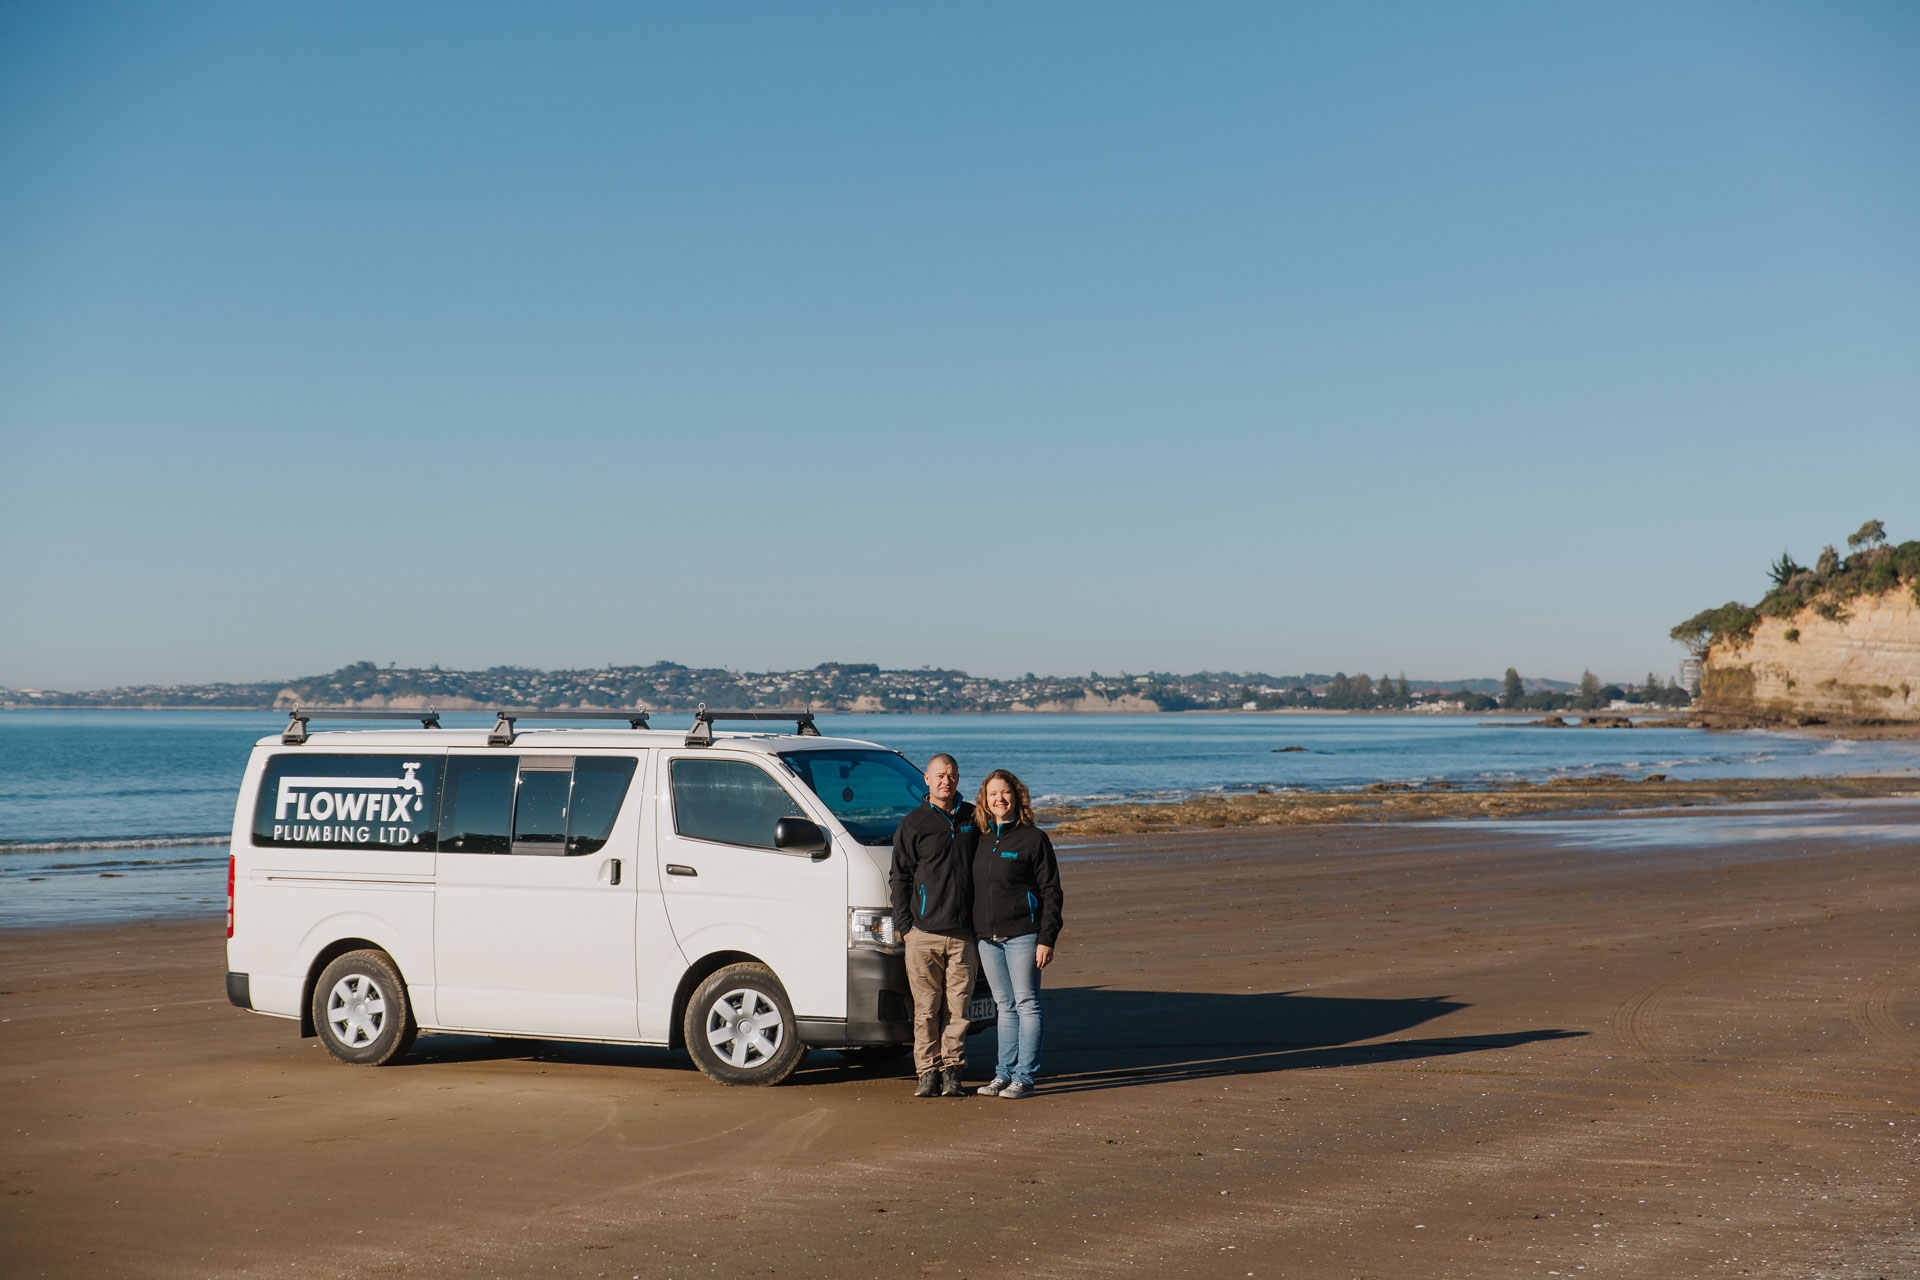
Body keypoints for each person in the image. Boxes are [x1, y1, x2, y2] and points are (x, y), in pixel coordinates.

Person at [889, 753, 979, 1098]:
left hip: (964, 934)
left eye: (952, 775)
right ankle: (927, 1071)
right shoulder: (912, 823)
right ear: (926, 779)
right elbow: (900, 877)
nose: (947, 781)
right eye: (940, 775)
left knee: (959, 1008)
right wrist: (906, 927)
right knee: (926, 1008)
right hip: (923, 934)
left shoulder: (974, 817)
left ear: (958, 778)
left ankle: (952, 1070)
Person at [970, 768, 1062, 1100]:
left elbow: (1052, 891)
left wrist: (1046, 938)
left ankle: (1025, 1077)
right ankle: (1003, 1074)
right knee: (1004, 1006)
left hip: (1024, 935)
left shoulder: (1033, 838)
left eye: (1005, 792)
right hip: (986, 937)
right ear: (984, 799)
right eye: (993, 794)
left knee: (1027, 1004)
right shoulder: (980, 838)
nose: (999, 799)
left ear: (1016, 796)